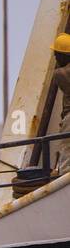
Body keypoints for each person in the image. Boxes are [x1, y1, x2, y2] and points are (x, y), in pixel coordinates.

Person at [51, 34, 70, 175]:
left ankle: (64, 183)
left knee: (67, 154)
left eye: (57, 55)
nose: (55, 59)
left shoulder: (60, 73)